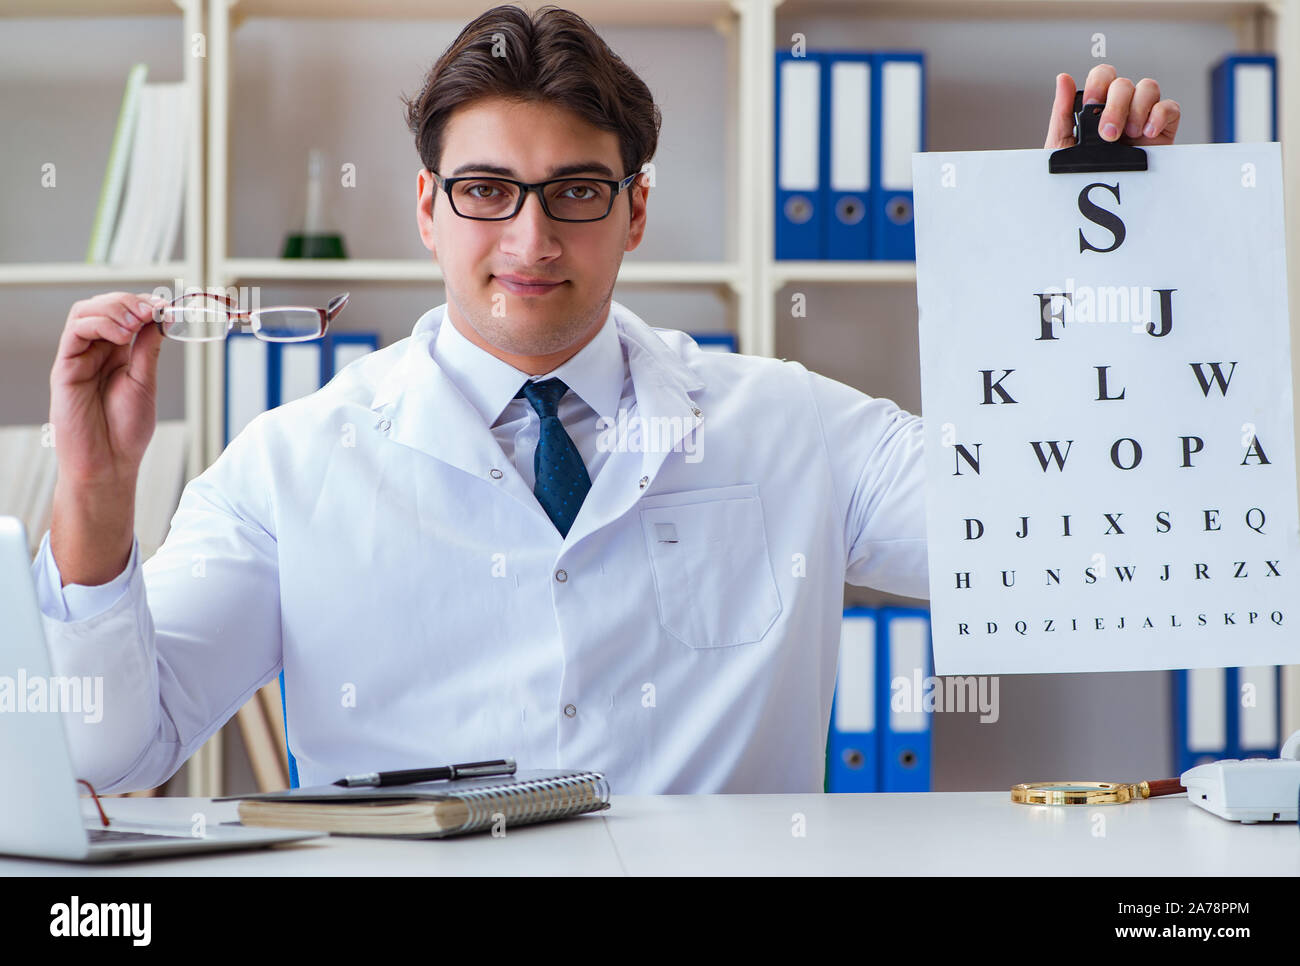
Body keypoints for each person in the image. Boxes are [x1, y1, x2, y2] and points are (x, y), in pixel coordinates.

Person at [34, 5, 1180, 794]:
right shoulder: (287, 466)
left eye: (576, 191)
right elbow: (114, 750)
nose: (531, 239)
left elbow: (1049, 547)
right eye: (488, 191)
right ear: (427, 209)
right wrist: (93, 496)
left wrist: (1073, 273)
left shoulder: (790, 427)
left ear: (634, 210)